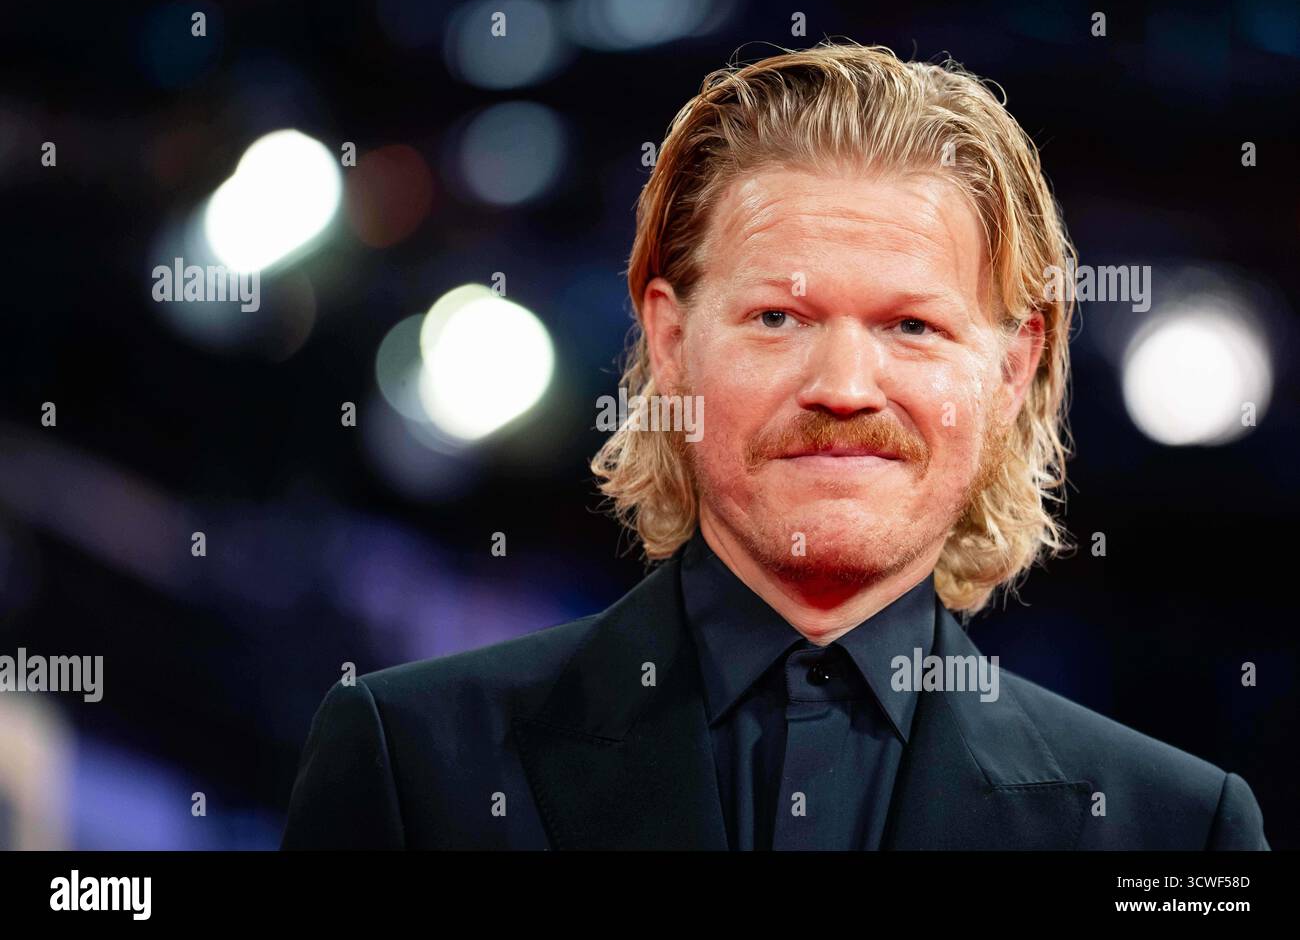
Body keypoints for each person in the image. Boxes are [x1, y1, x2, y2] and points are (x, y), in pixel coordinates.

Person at [281, 41, 1268, 850]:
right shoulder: (407, 759)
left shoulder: (1176, 831)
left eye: (911, 326)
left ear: (1012, 370)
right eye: (777, 317)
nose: (842, 387)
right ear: (668, 339)